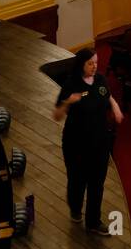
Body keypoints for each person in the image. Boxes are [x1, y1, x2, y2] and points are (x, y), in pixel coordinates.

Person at [53, 47, 123, 236]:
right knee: (77, 182)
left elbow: (107, 96)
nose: (94, 66)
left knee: (96, 184)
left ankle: (93, 222)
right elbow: (56, 115)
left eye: (96, 63)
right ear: (81, 64)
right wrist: (68, 102)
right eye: (90, 63)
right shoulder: (71, 84)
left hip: (99, 142)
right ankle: (75, 208)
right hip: (76, 143)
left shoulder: (100, 80)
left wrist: (115, 108)